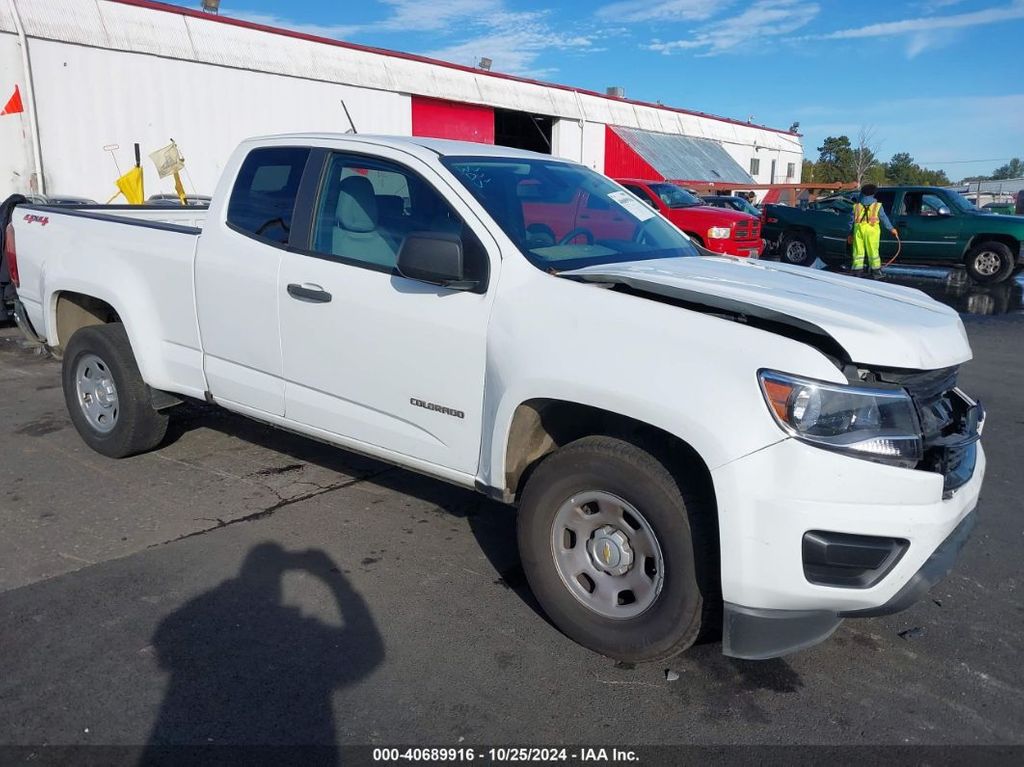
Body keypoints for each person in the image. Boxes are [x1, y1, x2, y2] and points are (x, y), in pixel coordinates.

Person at [849, 183, 897, 279]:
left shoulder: (856, 206)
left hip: (858, 231)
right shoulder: (877, 206)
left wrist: (850, 234)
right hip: (872, 232)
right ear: (873, 194)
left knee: (858, 251)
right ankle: (876, 272)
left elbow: (851, 221)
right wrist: (891, 229)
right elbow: (884, 218)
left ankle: (857, 271)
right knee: (873, 252)